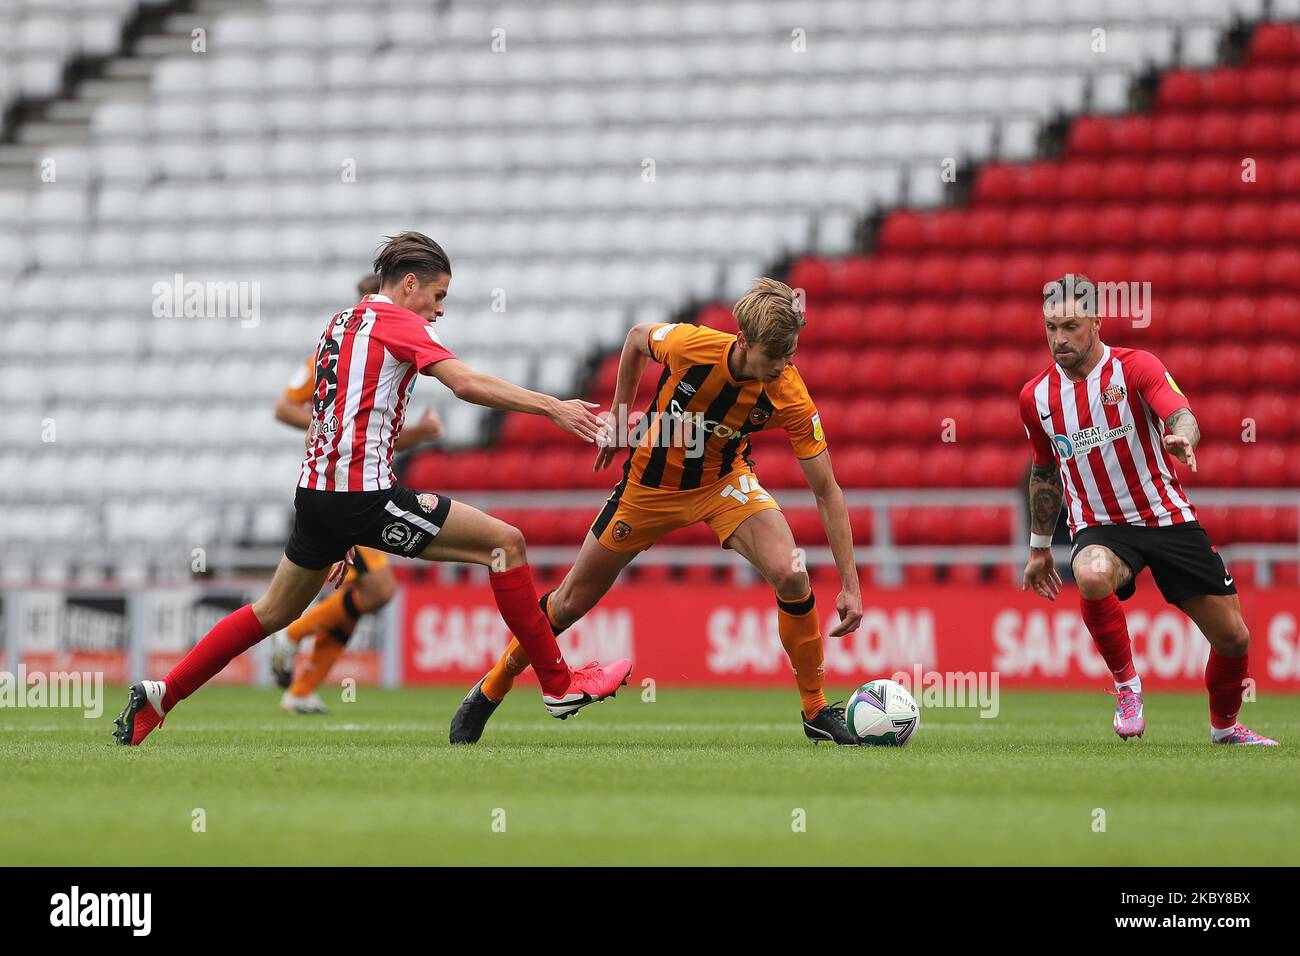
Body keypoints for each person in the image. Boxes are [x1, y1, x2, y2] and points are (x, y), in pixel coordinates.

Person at [113, 232, 631, 746]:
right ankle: (559, 685)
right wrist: (553, 406)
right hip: (360, 496)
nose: (440, 309)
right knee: (506, 544)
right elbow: (466, 384)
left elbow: (326, 414)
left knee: (273, 611)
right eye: (439, 295)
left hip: (315, 493)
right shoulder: (398, 323)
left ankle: (161, 696)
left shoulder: (339, 323)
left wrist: (335, 530)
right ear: (410, 284)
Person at [449, 277, 864, 745]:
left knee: (792, 574)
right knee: (569, 602)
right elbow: (634, 340)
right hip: (648, 486)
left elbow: (827, 490)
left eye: (791, 356)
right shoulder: (692, 346)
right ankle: (489, 690)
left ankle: (814, 709)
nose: (784, 367)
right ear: (744, 342)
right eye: (775, 358)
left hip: (723, 483)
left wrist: (850, 584)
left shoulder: (789, 392)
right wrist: (619, 420)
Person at [1020, 274, 1277, 746]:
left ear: (1096, 322)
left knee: (1234, 638)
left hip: (1165, 518)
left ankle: (1225, 728)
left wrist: (1183, 437)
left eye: (1070, 326)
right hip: (1099, 527)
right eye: (1051, 327)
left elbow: (1179, 412)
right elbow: (1044, 471)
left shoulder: (1135, 368)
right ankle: (1127, 687)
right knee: (1092, 574)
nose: (1059, 339)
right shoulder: (1035, 397)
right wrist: (1039, 548)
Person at [269, 273, 444, 714]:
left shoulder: (386, 354)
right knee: (379, 588)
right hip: (340, 486)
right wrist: (323, 427)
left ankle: (302, 687)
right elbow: (284, 405)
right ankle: (292, 634)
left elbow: (376, 435)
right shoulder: (334, 354)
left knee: (368, 595)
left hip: (368, 482)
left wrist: (417, 434)